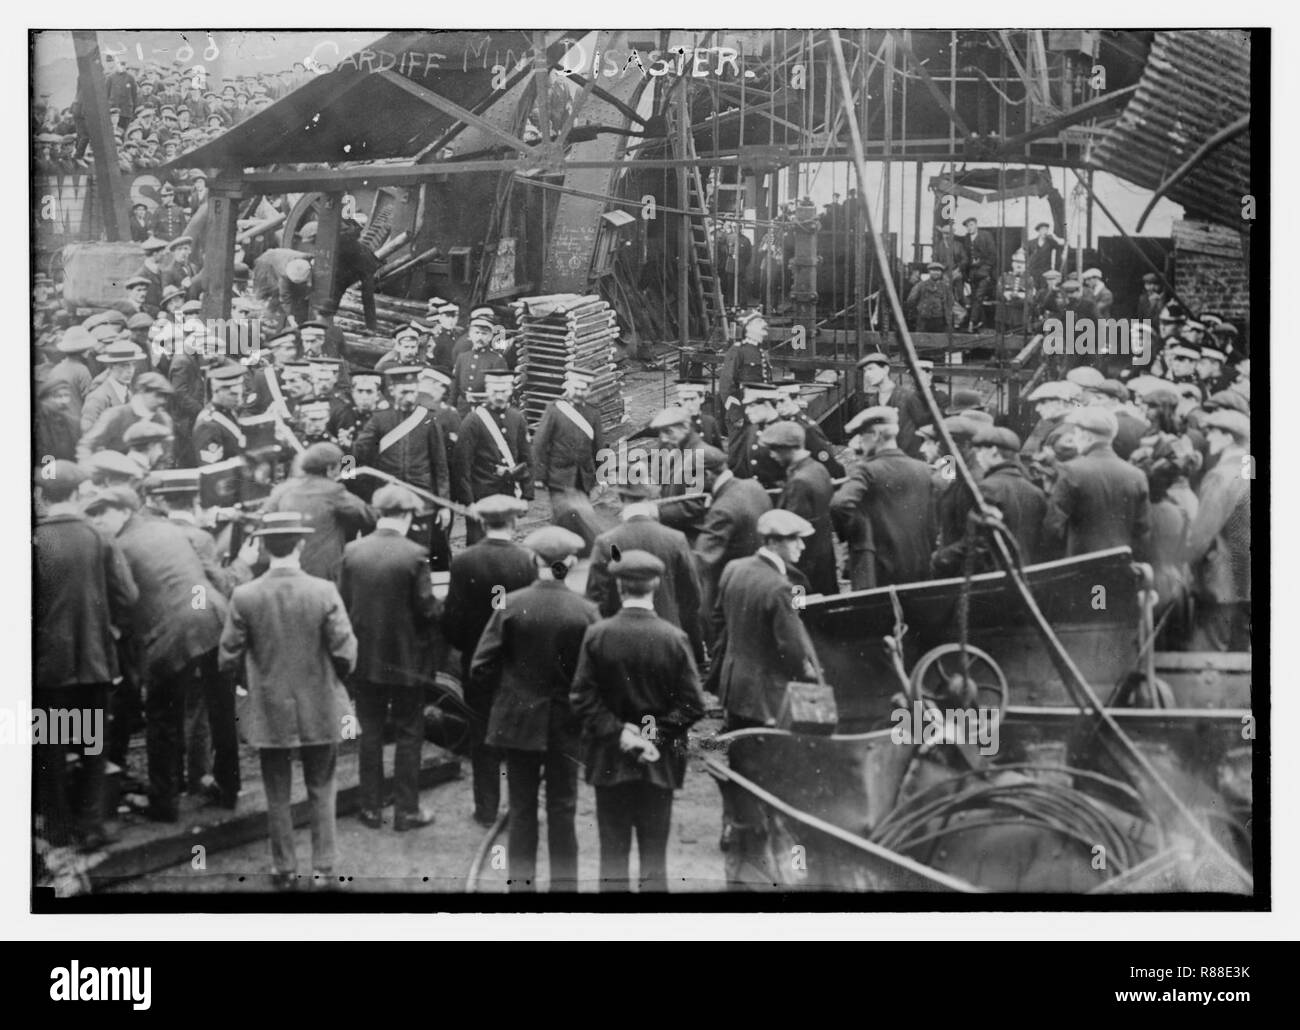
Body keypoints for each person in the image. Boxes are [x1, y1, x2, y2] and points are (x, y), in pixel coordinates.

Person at [219, 511, 358, 890]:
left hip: (269, 706)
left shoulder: (245, 595)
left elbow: (227, 658)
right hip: (320, 702)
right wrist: (331, 680)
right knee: (322, 785)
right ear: (300, 544)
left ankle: (284, 868)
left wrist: (252, 684)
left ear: (263, 546)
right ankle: (325, 870)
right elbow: (346, 653)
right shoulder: (324, 591)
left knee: (276, 790)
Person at [85, 485, 226, 823]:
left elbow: (126, 598)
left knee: (162, 717)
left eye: (103, 513)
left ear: (124, 511)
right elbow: (206, 573)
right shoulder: (166, 529)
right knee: (218, 710)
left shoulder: (118, 546)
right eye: (93, 515)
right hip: (214, 617)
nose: (99, 521)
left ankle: (164, 803)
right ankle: (226, 788)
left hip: (172, 634)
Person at [470, 527, 599, 892]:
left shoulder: (508, 605)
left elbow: (481, 666)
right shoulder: (587, 611)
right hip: (566, 725)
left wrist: (507, 695)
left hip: (517, 722)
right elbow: (595, 675)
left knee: (522, 810)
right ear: (572, 563)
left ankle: (520, 889)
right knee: (563, 809)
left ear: (534, 560)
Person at [569, 549, 706, 892]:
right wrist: (652, 735)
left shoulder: (598, 635)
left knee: (611, 858)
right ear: (656, 586)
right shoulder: (674, 639)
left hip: (610, 760)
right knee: (654, 860)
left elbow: (581, 697)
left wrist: (621, 734)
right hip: (658, 765)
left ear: (618, 586)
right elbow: (693, 704)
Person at [35, 463, 137, 851]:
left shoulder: (33, 541)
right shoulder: (98, 537)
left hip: (49, 669)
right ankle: (91, 826)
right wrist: (108, 631)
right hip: (95, 663)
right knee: (94, 746)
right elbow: (127, 596)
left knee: (52, 748)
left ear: (41, 497)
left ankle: (58, 830)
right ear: (78, 495)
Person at [339, 485, 439, 831]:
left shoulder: (352, 552)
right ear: (409, 516)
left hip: (365, 659)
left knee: (370, 732)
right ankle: (406, 810)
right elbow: (426, 610)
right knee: (410, 731)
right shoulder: (415, 555)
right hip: (406, 661)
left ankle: (370, 807)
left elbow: (345, 603)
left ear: (379, 514)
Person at [442, 494, 538, 826]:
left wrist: (466, 647)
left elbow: (452, 617)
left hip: (476, 663)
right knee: (517, 735)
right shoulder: (528, 561)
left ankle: (485, 809)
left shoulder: (464, 561)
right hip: (517, 664)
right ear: (513, 522)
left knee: (482, 735)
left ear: (482, 522)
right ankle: (520, 809)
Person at [586, 482, 705, 663]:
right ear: (652, 501)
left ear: (620, 500)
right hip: (667, 636)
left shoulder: (606, 541)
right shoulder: (675, 539)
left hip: (618, 642)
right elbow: (692, 596)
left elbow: (595, 596)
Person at [831, 406, 936, 589]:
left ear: (875, 436)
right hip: (919, 565)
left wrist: (860, 534)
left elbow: (839, 504)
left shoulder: (868, 470)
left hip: (880, 569)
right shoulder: (923, 469)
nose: (860, 443)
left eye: (863, 436)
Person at [1043, 407, 1151, 560]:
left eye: (1076, 433)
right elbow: (1142, 531)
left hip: (1081, 567)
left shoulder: (1072, 470)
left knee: (1096, 587)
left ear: (1086, 436)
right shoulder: (1137, 474)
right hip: (1121, 566)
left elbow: (1053, 527)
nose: (1075, 438)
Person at [1185, 409, 1251, 651]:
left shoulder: (1220, 475)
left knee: (1210, 655)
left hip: (1222, 581)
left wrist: (1185, 562)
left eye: (1213, 432)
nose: (1208, 438)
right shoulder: (1250, 469)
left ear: (1229, 437)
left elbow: (1202, 533)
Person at [263, 442, 376, 582]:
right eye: (339, 468)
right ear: (330, 469)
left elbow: (265, 516)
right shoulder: (334, 490)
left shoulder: (283, 489)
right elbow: (368, 515)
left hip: (284, 569)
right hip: (322, 573)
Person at [452, 372, 532, 545]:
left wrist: (526, 495)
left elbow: (526, 460)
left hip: (508, 493)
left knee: (505, 543)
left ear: (510, 390)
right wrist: (468, 502)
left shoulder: (517, 418)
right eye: (495, 391)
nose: (499, 396)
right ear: (487, 391)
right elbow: (462, 464)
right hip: (482, 494)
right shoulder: (474, 420)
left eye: (504, 391)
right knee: (478, 544)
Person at [693, 444, 772, 618]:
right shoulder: (754, 487)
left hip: (730, 595)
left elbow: (702, 559)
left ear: (706, 474)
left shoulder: (722, 509)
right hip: (761, 582)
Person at [531, 369, 606, 552]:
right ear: (569, 386)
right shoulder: (555, 410)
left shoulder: (593, 413)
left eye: (584, 389)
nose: (580, 393)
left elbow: (599, 448)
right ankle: (557, 554)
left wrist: (601, 477)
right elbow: (539, 444)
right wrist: (539, 476)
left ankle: (581, 554)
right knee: (562, 517)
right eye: (577, 388)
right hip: (559, 476)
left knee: (582, 518)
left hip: (584, 477)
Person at [767, 421, 837, 595]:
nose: (772, 455)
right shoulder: (818, 468)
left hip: (803, 571)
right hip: (823, 560)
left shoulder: (799, 482)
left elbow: (791, 532)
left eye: (775, 449)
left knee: (800, 612)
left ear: (789, 448)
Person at [77, 371, 175, 464]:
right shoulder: (116, 415)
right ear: (143, 391)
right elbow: (88, 445)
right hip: (115, 476)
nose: (162, 401)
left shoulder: (163, 420)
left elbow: (165, 457)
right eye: (158, 395)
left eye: (165, 397)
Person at [857, 351, 929, 458]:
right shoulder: (873, 401)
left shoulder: (907, 396)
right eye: (865, 371)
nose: (867, 374)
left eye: (871, 369)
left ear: (886, 369)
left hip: (910, 460)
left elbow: (925, 427)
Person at [716, 311, 772, 431]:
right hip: (743, 416)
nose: (765, 324)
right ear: (749, 327)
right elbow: (726, 385)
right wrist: (736, 415)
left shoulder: (761, 352)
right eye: (759, 322)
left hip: (758, 414)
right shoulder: (737, 350)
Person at [727, 383, 784, 487]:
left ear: (767, 404)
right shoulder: (752, 429)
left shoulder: (785, 432)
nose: (746, 411)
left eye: (751, 406)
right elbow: (739, 466)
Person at [192, 363, 251, 465]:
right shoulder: (207, 425)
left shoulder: (229, 411)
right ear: (216, 391)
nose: (238, 399)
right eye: (233, 394)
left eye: (240, 394)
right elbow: (213, 471)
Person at [450, 315, 508, 412]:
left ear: (490, 337)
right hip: (462, 409)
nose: (479, 337)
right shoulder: (462, 357)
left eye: (484, 334)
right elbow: (454, 388)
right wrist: (450, 408)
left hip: (485, 411)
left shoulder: (497, 360)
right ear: (470, 334)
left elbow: (501, 393)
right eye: (476, 332)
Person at [961, 216, 997, 331]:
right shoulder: (966, 238)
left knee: (978, 297)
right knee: (975, 298)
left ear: (976, 225)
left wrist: (983, 264)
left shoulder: (986, 235)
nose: (969, 227)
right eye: (967, 226)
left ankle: (972, 323)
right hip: (972, 273)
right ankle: (981, 322)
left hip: (984, 271)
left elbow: (992, 254)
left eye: (971, 225)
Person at [906, 261, 955, 332]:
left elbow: (950, 302)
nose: (936, 273)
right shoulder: (921, 285)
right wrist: (918, 311)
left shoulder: (945, 288)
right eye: (933, 270)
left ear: (941, 273)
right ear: (929, 272)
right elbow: (911, 300)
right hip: (923, 320)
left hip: (940, 320)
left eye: (938, 271)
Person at [1024, 221, 1065, 287]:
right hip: (1033, 270)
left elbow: (1063, 243)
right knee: (1033, 288)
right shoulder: (1031, 243)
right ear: (1038, 231)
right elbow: (1026, 257)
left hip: (1045, 271)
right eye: (1042, 229)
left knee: (1044, 289)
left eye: (1046, 229)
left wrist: (1054, 236)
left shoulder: (1050, 242)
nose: (1044, 231)